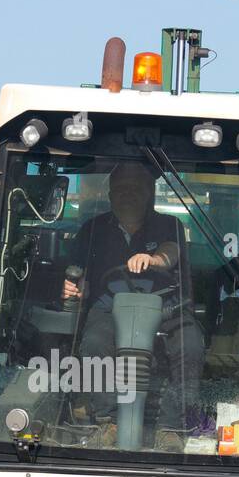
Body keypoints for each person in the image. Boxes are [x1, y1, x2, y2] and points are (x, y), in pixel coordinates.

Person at [62, 162, 205, 450]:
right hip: (109, 309)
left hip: (167, 308)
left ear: (150, 193)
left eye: (136, 188)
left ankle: (171, 428)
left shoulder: (170, 225)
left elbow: (171, 252)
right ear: (111, 193)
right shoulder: (93, 228)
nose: (128, 194)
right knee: (94, 342)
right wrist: (69, 285)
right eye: (121, 188)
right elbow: (73, 269)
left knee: (189, 345)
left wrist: (154, 260)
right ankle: (108, 422)